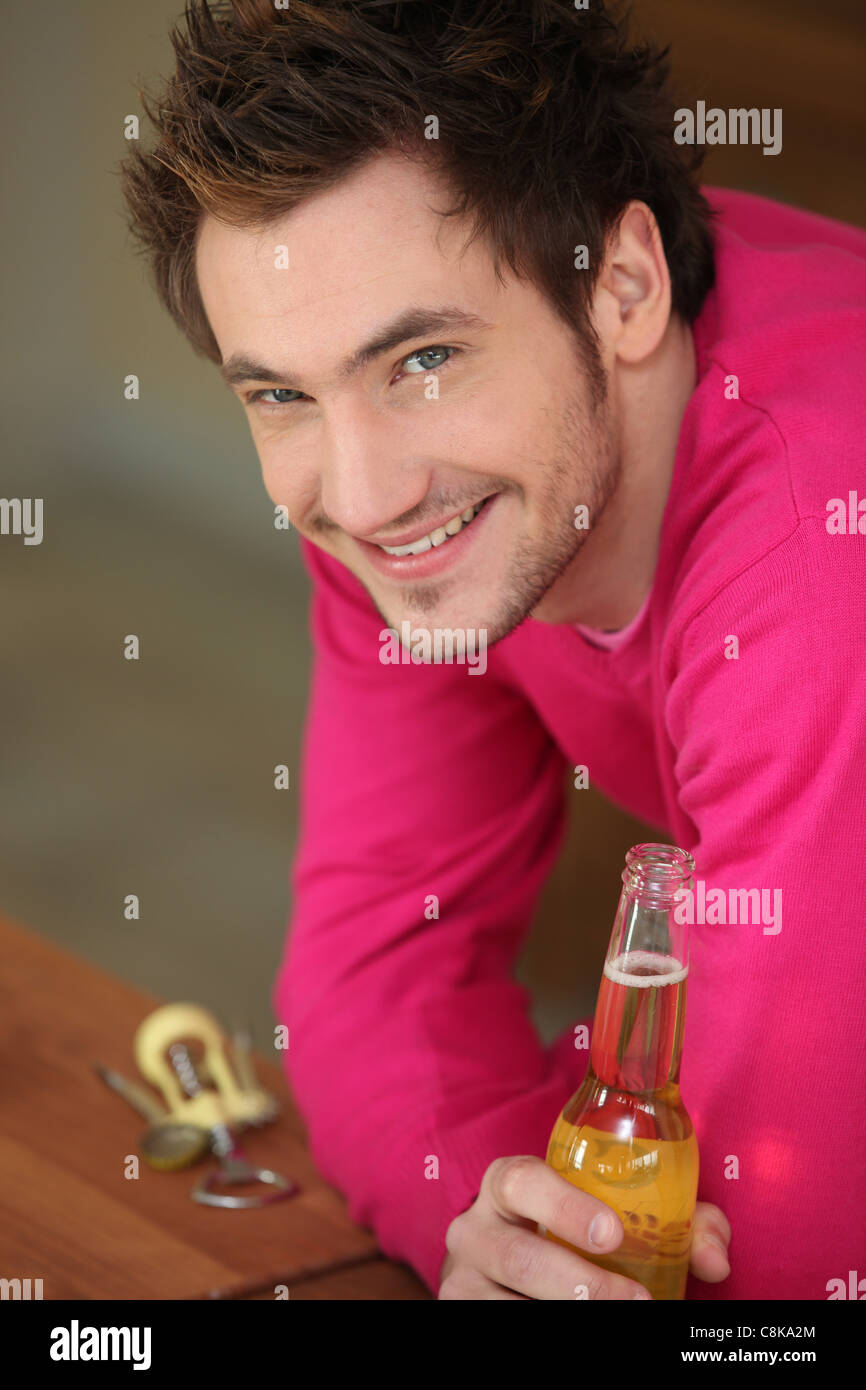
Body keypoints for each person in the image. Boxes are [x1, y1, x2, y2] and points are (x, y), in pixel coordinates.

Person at [120, 0, 866, 1299]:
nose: (358, 496)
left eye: (420, 360)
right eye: (280, 395)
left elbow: (781, 1244)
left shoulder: (824, 550)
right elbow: (376, 965)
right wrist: (489, 1211)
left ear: (621, 286)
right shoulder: (413, 504)